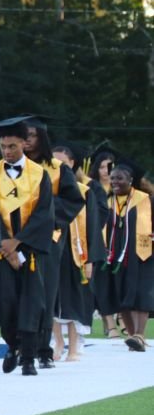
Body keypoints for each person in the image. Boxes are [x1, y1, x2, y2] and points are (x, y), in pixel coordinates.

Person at [0, 116, 55, 377]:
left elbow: (44, 214)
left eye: (12, 146)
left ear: (24, 144)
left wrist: (19, 243)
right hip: (1, 251)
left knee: (31, 303)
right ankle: (12, 345)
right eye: (3, 146)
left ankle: (28, 359)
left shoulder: (39, 175)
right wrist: (5, 245)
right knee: (5, 304)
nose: (7, 152)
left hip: (30, 249)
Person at [23, 117, 85, 369]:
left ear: (42, 137)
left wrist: (46, 215)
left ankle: (42, 347)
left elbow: (73, 200)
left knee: (44, 294)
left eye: (31, 135)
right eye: (22, 135)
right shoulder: (10, 168)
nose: (26, 140)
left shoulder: (57, 168)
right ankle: (20, 345)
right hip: (16, 238)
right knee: (16, 294)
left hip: (48, 238)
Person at [98, 159, 153, 352]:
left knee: (140, 292)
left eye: (119, 178)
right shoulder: (106, 201)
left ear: (130, 180)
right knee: (121, 295)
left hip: (141, 254)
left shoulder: (145, 200)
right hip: (113, 256)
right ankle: (132, 337)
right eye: (112, 178)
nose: (114, 182)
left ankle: (139, 334)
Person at [50, 146, 97, 361]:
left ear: (72, 164)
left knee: (73, 296)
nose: (59, 167)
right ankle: (57, 341)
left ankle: (73, 345)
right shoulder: (44, 189)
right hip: (52, 248)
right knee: (52, 295)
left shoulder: (84, 191)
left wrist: (91, 260)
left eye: (63, 163)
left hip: (77, 251)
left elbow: (93, 228)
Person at [88, 144, 122, 339]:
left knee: (119, 285)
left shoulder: (124, 191)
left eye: (111, 166)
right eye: (102, 167)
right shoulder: (91, 190)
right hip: (98, 245)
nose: (106, 171)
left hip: (120, 245)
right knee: (102, 285)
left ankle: (123, 322)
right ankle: (110, 325)